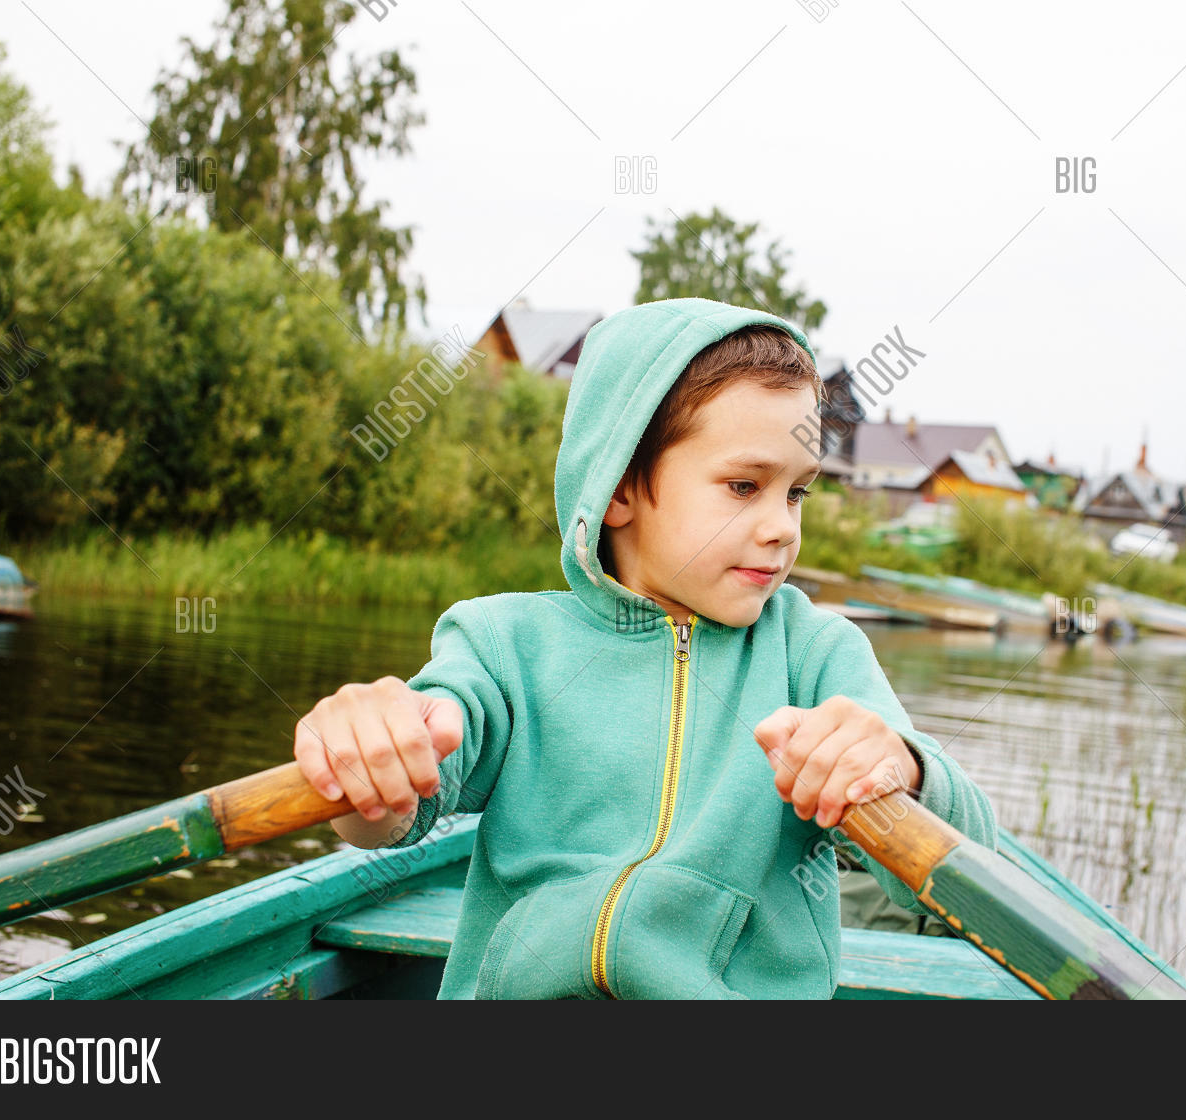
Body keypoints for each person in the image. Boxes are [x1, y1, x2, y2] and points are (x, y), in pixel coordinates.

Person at [293, 297, 996, 998]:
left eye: (796, 493)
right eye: (744, 486)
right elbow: (387, 818)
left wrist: (903, 771)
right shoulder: (503, 644)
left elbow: (966, 866)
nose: (783, 527)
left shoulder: (815, 654)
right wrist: (368, 760)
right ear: (620, 489)